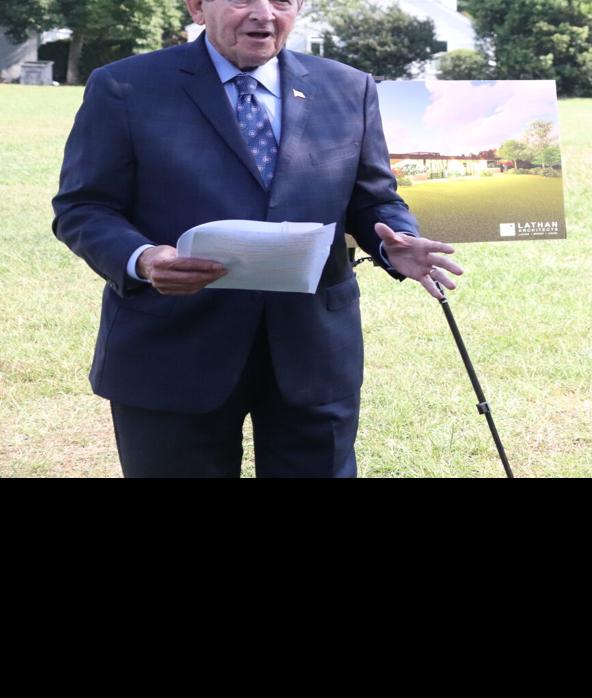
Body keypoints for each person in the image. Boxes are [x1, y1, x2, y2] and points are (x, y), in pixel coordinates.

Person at [51, 0, 463, 477]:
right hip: (173, 349)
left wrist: (395, 241)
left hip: (313, 351)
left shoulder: (348, 87)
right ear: (198, 7)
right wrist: (142, 259)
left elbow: (374, 200)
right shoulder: (125, 86)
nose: (264, 14)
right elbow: (84, 207)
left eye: (282, 0)